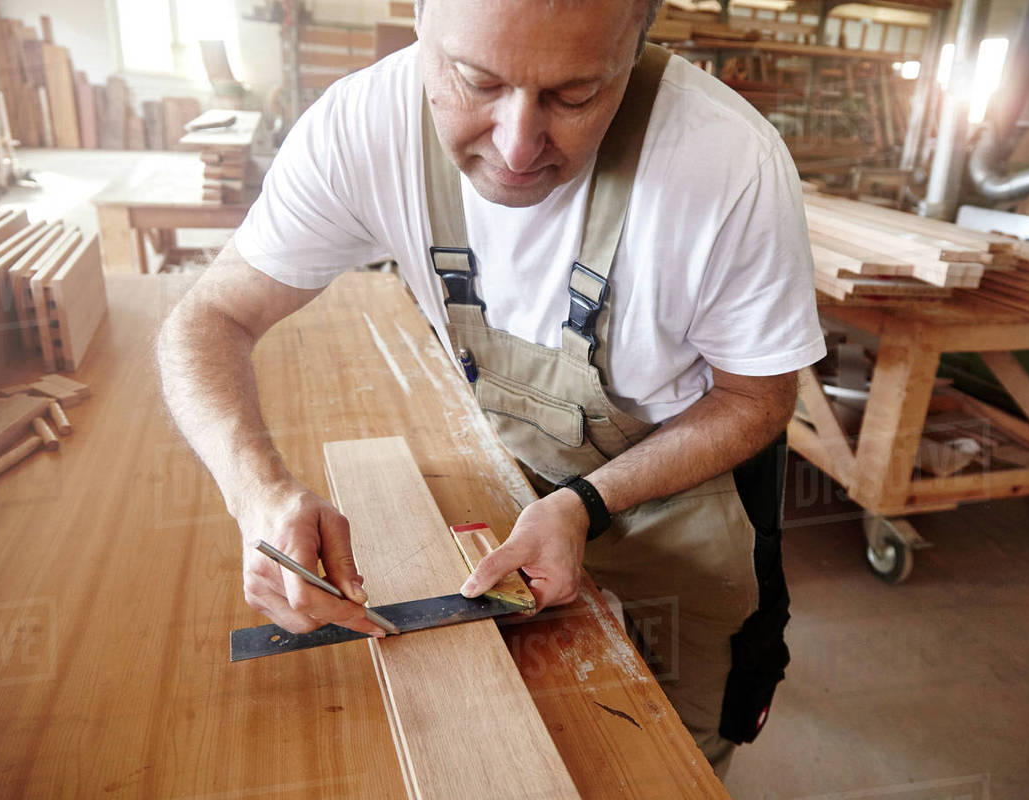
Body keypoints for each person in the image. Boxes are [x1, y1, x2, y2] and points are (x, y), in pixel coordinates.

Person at [157, 0, 825, 777]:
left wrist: (585, 504)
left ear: (638, 44)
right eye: (476, 82)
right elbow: (209, 315)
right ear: (419, 20)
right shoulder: (365, 126)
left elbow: (759, 399)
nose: (516, 145)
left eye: (575, 96)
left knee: (663, 761)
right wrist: (258, 493)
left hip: (683, 502)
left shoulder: (729, 163)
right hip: (520, 484)